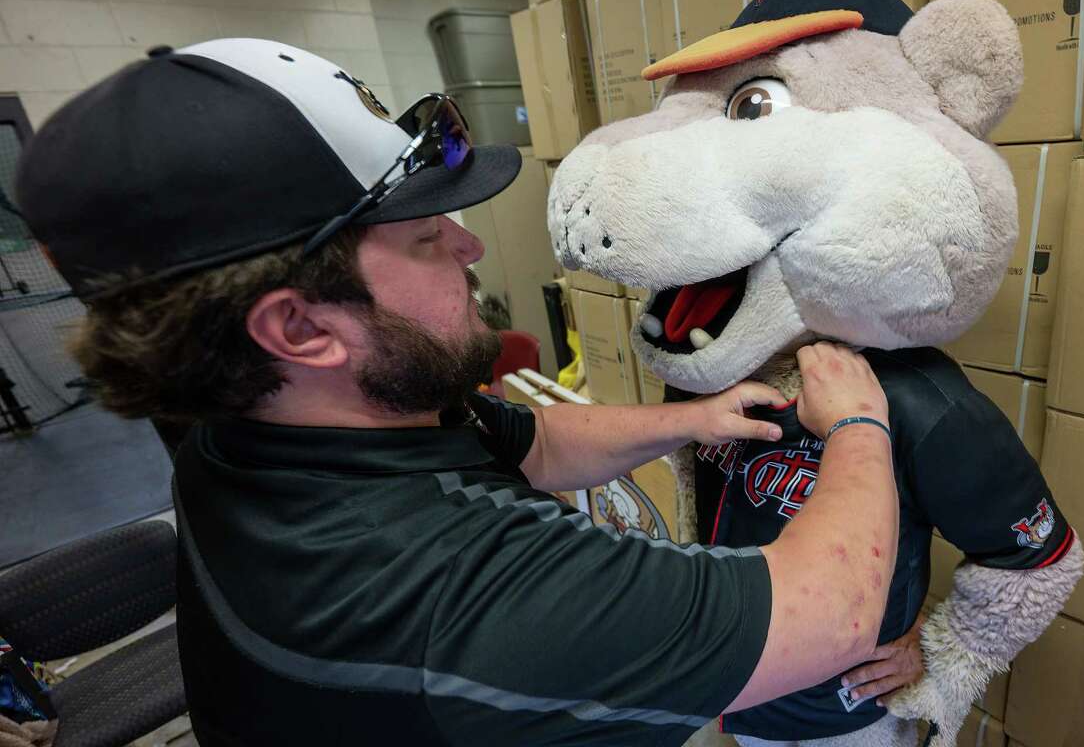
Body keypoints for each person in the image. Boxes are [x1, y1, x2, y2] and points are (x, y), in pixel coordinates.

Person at [15, 39, 900, 747]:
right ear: (300, 329)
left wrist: (694, 418)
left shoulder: (248, 433)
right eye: (426, 237)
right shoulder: (454, 593)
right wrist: (859, 424)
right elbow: (832, 617)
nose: (471, 248)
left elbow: (534, 444)